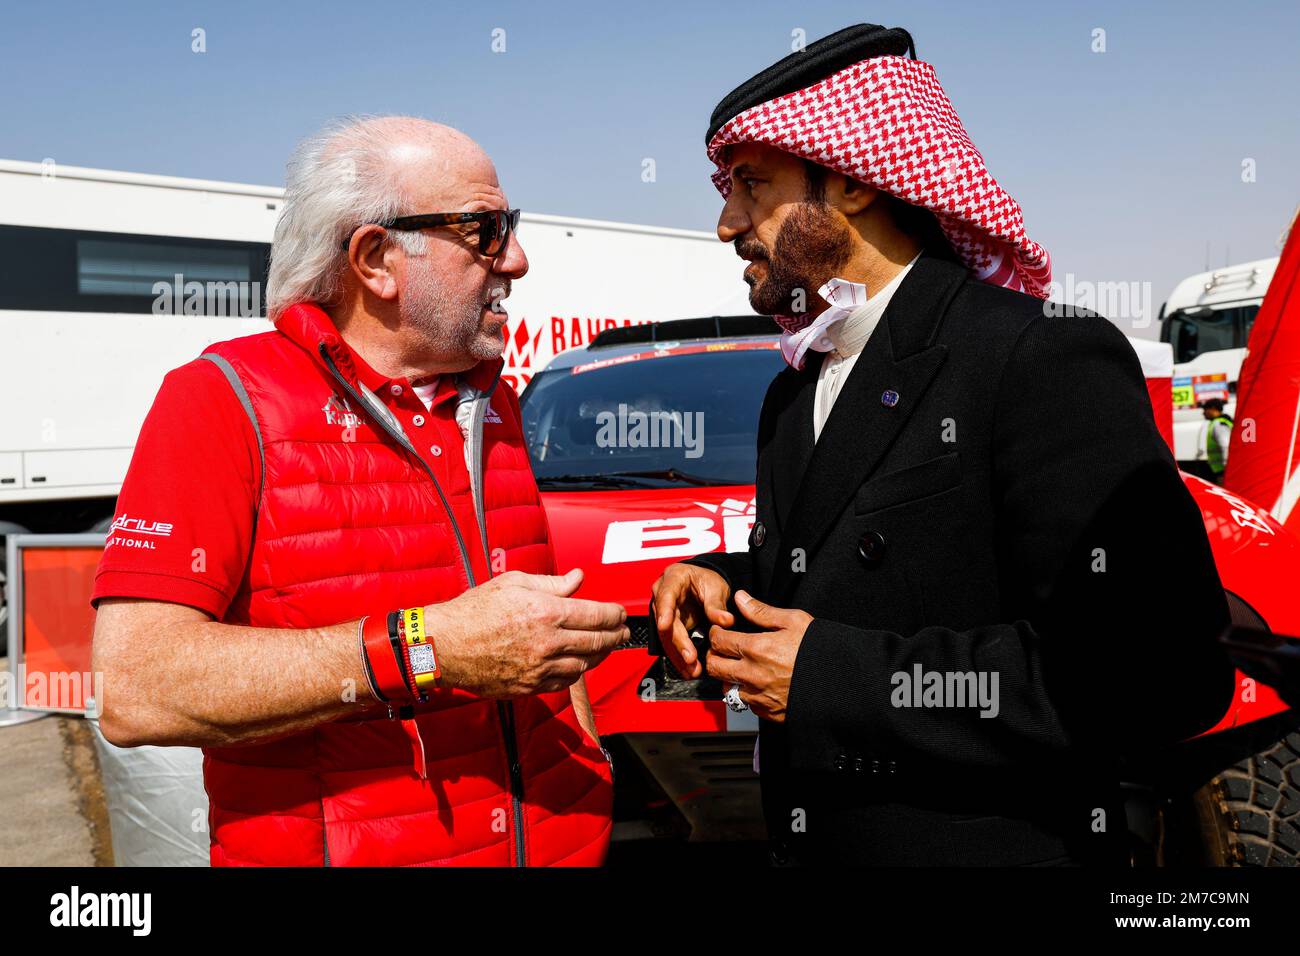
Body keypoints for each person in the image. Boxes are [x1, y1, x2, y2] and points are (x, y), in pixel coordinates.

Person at [651, 24, 1236, 866]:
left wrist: (832, 682)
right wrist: (730, 579)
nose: (725, 223)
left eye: (751, 184)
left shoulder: (1038, 357)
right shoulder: (797, 383)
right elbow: (861, 579)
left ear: (853, 184)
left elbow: (1160, 671)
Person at [90, 116, 626, 867]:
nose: (520, 259)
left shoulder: (490, 403)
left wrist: (588, 758)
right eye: (486, 229)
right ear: (376, 259)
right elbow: (136, 688)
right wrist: (425, 649)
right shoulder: (221, 400)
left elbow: (532, 629)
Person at [1200, 398, 1234, 483]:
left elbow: (1225, 446)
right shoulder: (1219, 423)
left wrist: (1226, 470)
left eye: (1205, 409)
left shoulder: (1219, 424)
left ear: (1213, 408)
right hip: (1221, 471)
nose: (1203, 413)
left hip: (1223, 472)